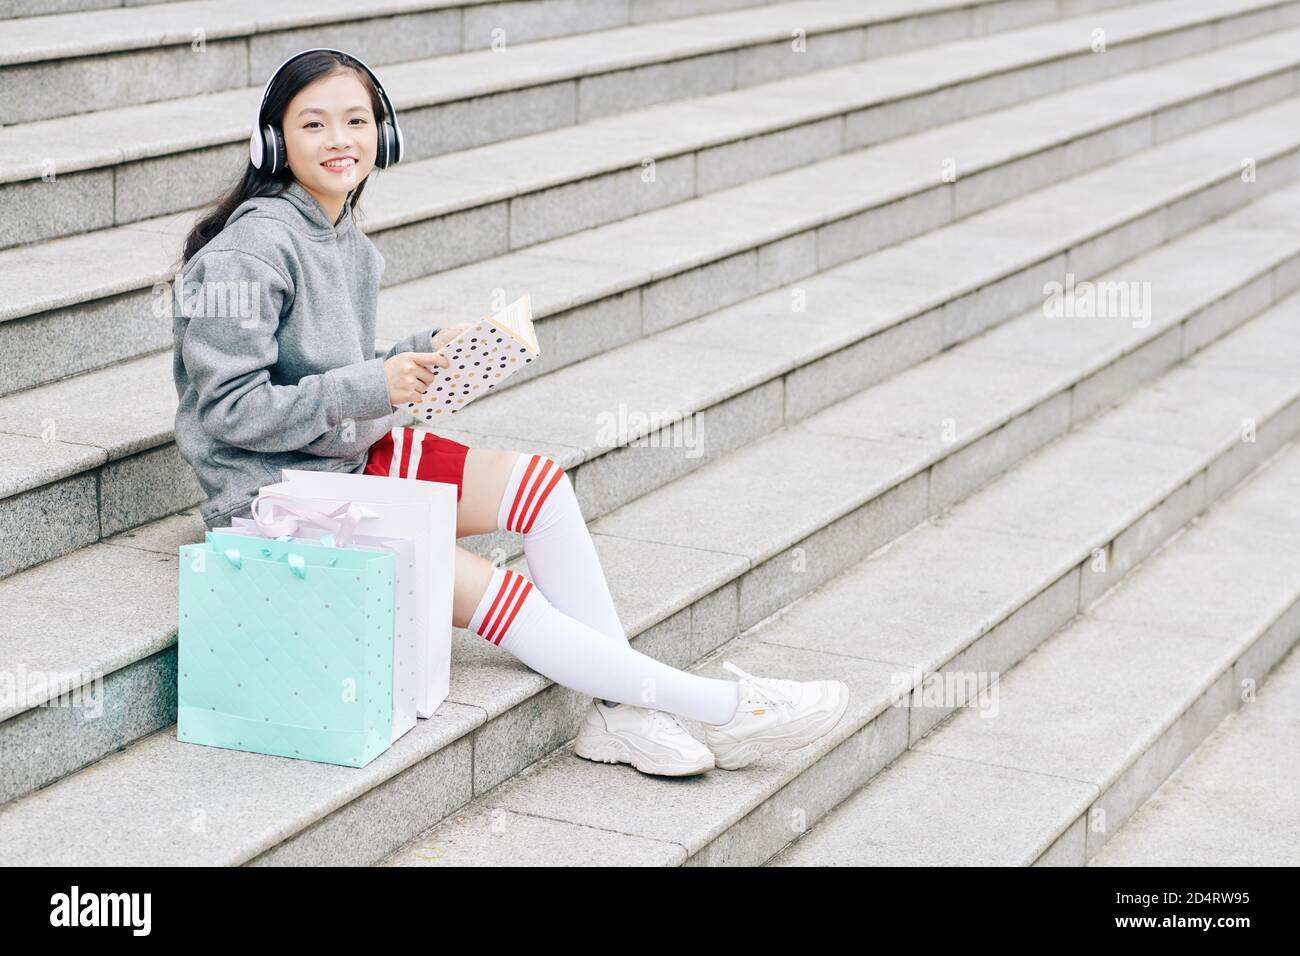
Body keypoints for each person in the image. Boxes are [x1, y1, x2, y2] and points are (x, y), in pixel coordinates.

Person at [170, 48, 848, 777]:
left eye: (356, 121)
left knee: (542, 488)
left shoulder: (345, 239)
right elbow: (231, 412)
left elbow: (329, 368)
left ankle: (621, 716)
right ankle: (726, 710)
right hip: (275, 497)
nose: (341, 140)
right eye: (314, 123)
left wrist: (426, 351)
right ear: (273, 141)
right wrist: (375, 384)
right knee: (502, 590)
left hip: (339, 454)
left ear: (384, 135)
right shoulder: (248, 251)